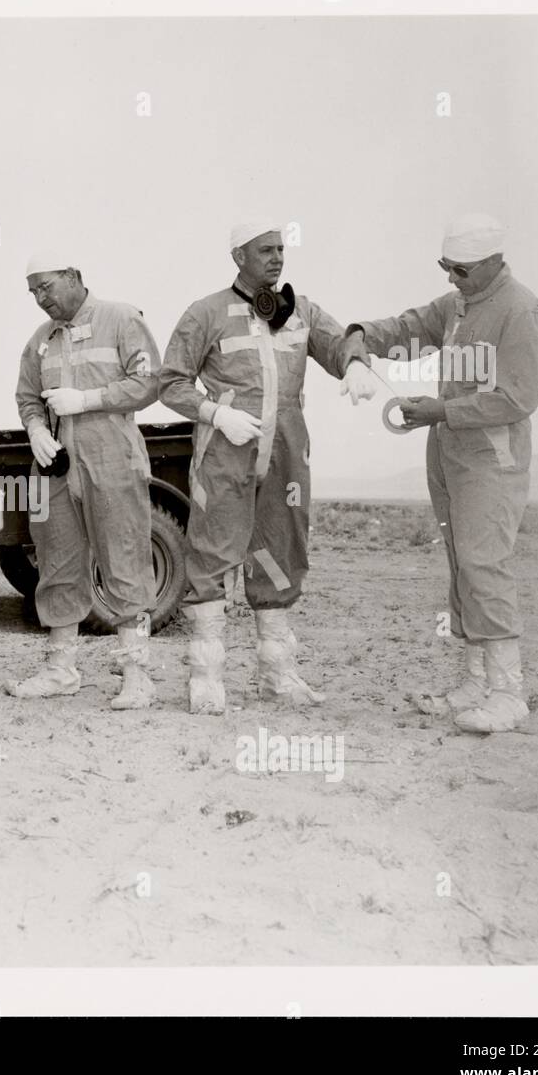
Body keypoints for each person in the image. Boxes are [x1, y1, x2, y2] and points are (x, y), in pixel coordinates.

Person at [344, 213, 538, 733]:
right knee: (463, 564)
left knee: (486, 564)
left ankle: (508, 693)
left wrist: (440, 411)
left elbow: (518, 398)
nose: (451, 279)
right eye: (446, 268)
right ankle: (474, 682)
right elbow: (408, 330)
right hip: (448, 455)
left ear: (492, 263)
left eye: (459, 270)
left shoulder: (523, 312)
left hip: (492, 459)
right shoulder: (458, 305)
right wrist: (358, 337)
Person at [159, 221, 379, 713]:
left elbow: (340, 342)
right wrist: (216, 413)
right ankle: (206, 678)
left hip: (286, 451)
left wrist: (357, 363)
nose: (277, 258)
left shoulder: (300, 311)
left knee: (280, 549)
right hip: (225, 451)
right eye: (266, 250)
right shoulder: (206, 313)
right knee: (212, 554)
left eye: (281, 249)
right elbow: (170, 383)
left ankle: (278, 676)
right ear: (239, 255)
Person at [7, 252, 163, 710]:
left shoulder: (121, 319)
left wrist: (89, 399)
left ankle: (137, 675)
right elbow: (27, 396)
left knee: (124, 557)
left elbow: (151, 381)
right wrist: (36, 430)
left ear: (73, 276)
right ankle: (60, 670)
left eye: (46, 287)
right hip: (55, 468)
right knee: (56, 562)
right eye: (32, 291)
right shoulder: (41, 340)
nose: (40, 299)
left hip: (111, 459)